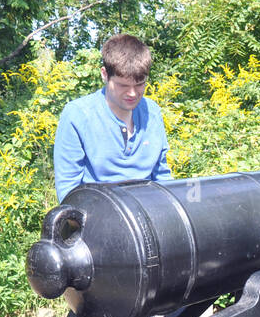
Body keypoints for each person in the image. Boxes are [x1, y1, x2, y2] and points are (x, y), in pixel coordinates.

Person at [53, 34, 171, 202]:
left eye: (140, 84)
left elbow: (163, 179)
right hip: (97, 216)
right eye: (123, 85)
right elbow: (68, 193)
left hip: (149, 214)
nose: (132, 93)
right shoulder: (77, 115)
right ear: (105, 75)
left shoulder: (153, 113)